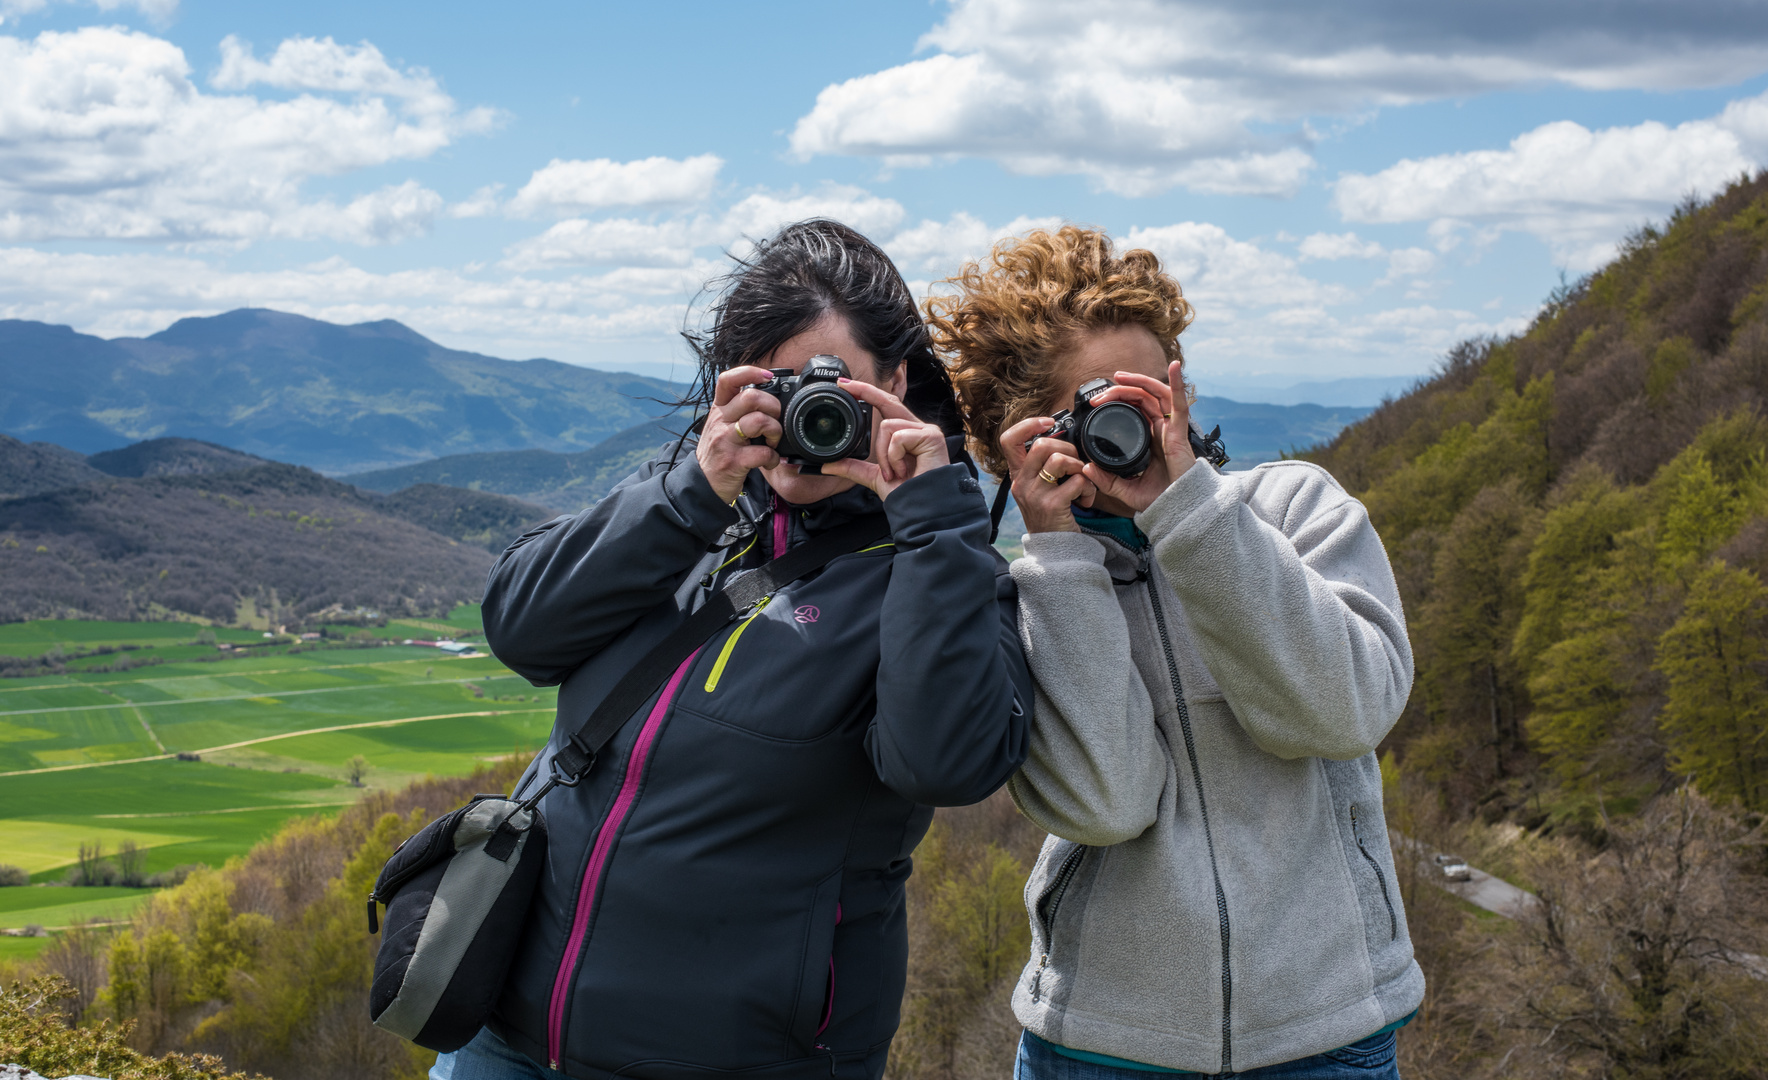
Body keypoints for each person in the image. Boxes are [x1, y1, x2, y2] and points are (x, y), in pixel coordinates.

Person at [447, 220, 1032, 1080]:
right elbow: (520, 627)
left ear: (896, 381)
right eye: (779, 385)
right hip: (511, 1038)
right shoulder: (691, 513)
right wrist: (692, 493)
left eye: (836, 389)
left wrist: (933, 520)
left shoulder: (940, 565)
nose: (809, 415)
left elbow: (945, 765)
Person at [929, 226, 1422, 1079]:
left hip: (1326, 1030)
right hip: (1099, 1043)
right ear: (1029, 433)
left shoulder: (1294, 509)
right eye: (1097, 403)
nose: (1139, 421)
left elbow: (1345, 713)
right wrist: (1058, 552)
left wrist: (1188, 509)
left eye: (1151, 390)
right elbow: (1104, 804)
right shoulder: (1031, 589)